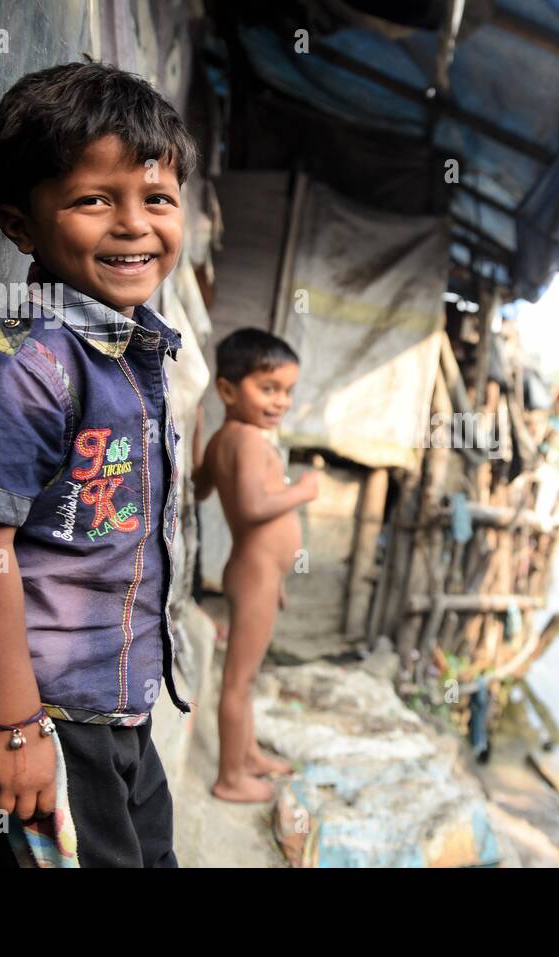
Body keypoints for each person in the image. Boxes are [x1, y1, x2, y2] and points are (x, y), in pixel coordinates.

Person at [0, 61, 199, 866]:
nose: (133, 225)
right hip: (49, 713)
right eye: (93, 200)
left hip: (120, 707)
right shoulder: (27, 359)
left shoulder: (135, 353)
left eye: (157, 199)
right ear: (20, 225)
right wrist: (14, 725)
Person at [194, 328, 318, 803]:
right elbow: (250, 506)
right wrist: (302, 492)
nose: (281, 401)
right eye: (268, 389)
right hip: (253, 574)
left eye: (287, 391)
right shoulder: (246, 440)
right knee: (238, 682)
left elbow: (201, 486)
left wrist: (203, 442)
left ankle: (247, 757)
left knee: (247, 679)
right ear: (227, 390)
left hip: (259, 573)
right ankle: (231, 777)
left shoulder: (230, 436)